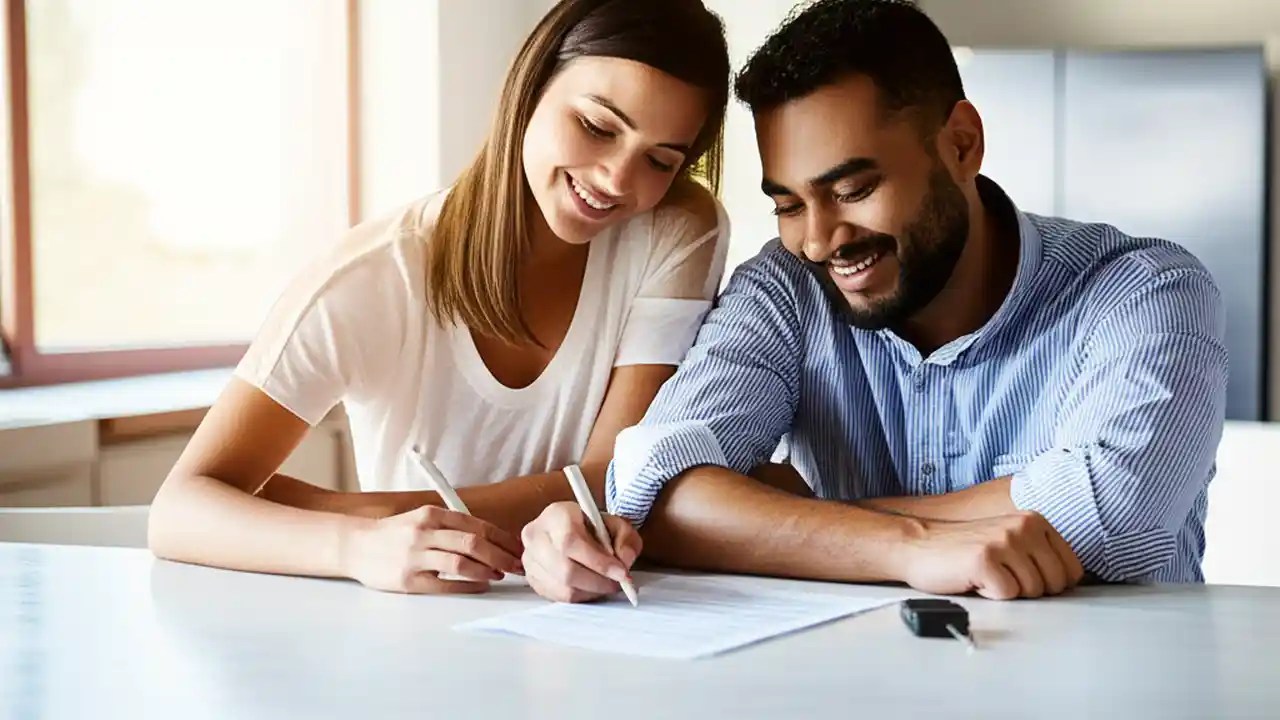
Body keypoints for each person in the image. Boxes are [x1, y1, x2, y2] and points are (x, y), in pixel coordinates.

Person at [522, 0, 1227, 603]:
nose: (822, 239)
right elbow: (655, 489)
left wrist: (794, 518)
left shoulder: (1146, 290)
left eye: (854, 190)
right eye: (790, 204)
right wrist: (910, 546)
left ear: (961, 143)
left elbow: (1117, 512)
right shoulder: (786, 287)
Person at [148, 0, 731, 596]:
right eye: (597, 126)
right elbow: (178, 510)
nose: (617, 179)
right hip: (423, 626)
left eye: (660, 160)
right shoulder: (373, 276)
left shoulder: (677, 228)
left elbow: (615, 480)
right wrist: (360, 545)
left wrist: (354, 509)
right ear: (530, 87)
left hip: (594, 622)